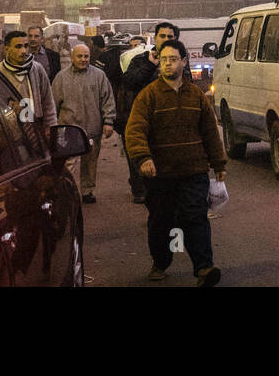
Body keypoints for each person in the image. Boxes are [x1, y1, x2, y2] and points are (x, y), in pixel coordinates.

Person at [124, 40, 226, 286]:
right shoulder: (149, 96)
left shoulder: (196, 96)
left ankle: (204, 268)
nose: (168, 63)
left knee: (196, 217)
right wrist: (143, 158)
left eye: (173, 59)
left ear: (183, 61)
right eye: (164, 59)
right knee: (162, 221)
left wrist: (219, 163)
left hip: (194, 171)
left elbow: (211, 132)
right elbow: (135, 130)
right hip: (160, 174)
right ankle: (160, 262)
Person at [51, 44, 115, 203]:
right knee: (68, 164)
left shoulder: (99, 76)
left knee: (90, 163)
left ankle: (87, 191)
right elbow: (53, 103)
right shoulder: (61, 77)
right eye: (79, 56)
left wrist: (108, 121)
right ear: (72, 57)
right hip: (68, 129)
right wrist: (52, 127)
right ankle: (67, 191)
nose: (83, 59)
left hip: (92, 128)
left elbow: (107, 100)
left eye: (86, 56)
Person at [117, 41, 158, 203]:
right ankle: (139, 188)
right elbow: (128, 84)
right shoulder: (136, 62)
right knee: (136, 154)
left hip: (153, 119)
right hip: (132, 117)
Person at [0, 30, 58, 133]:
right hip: (10, 132)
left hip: (35, 128)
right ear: (6, 49)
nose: (24, 51)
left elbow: (48, 102)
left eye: (26, 46)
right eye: (18, 46)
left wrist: (50, 129)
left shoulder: (37, 69)